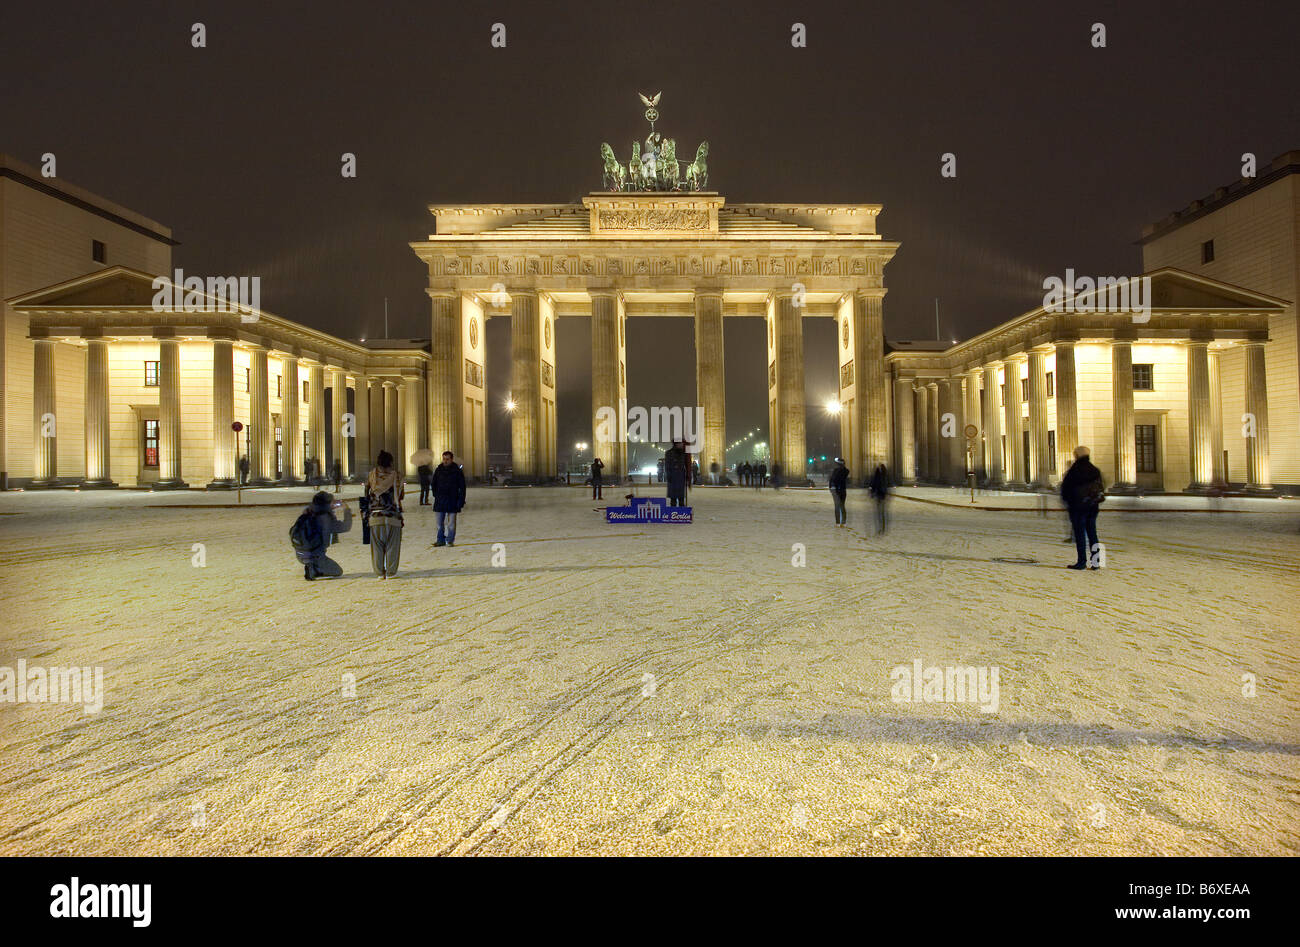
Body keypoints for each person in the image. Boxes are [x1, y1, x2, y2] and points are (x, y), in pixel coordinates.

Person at [1059, 445, 1105, 570]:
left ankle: (1081, 562)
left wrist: (1067, 501)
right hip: (1092, 506)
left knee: (1080, 535)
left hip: (1078, 507)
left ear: (1077, 456)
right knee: (1093, 534)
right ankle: (1096, 562)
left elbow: (1066, 488)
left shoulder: (1075, 470)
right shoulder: (1095, 470)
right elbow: (1101, 488)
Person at [291, 490, 352, 580]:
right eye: (332, 502)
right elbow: (345, 527)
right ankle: (313, 569)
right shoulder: (325, 518)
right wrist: (346, 510)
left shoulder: (308, 512)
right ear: (326, 504)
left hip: (299, 553)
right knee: (337, 571)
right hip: (314, 555)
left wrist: (330, 510)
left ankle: (312, 566)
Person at [366, 450, 404, 579]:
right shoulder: (396, 476)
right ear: (391, 462)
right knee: (393, 545)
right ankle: (391, 572)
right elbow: (401, 495)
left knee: (376, 546)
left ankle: (379, 572)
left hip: (375, 516)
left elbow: (366, 493)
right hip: (392, 515)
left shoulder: (372, 475)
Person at [432, 450, 467, 546]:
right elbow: (433, 483)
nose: (445, 461)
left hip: (452, 499)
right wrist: (436, 494)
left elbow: (462, 487)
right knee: (439, 523)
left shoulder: (457, 471)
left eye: (447, 459)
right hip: (440, 499)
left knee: (451, 524)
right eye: (444, 459)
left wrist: (461, 500)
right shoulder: (438, 470)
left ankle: (450, 540)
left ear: (451, 459)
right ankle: (440, 540)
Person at [869, 463, 891, 535]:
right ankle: (882, 527)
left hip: (879, 495)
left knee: (879, 513)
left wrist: (872, 493)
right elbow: (888, 484)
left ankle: (880, 527)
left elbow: (874, 484)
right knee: (882, 512)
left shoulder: (878, 476)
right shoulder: (886, 476)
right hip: (883, 495)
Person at [664, 441, 688, 507]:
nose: (682, 445)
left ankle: (682, 514)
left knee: (681, 500)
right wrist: (669, 475)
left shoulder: (684, 453)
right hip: (673, 478)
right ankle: (673, 514)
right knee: (673, 500)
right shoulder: (669, 453)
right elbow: (667, 466)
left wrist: (687, 476)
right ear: (676, 444)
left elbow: (686, 465)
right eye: (681, 443)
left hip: (681, 478)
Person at [829, 457, 849, 526]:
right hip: (842, 490)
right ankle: (843, 522)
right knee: (841, 506)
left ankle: (838, 522)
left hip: (837, 490)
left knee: (838, 506)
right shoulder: (845, 470)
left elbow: (833, 479)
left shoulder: (838, 471)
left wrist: (831, 487)